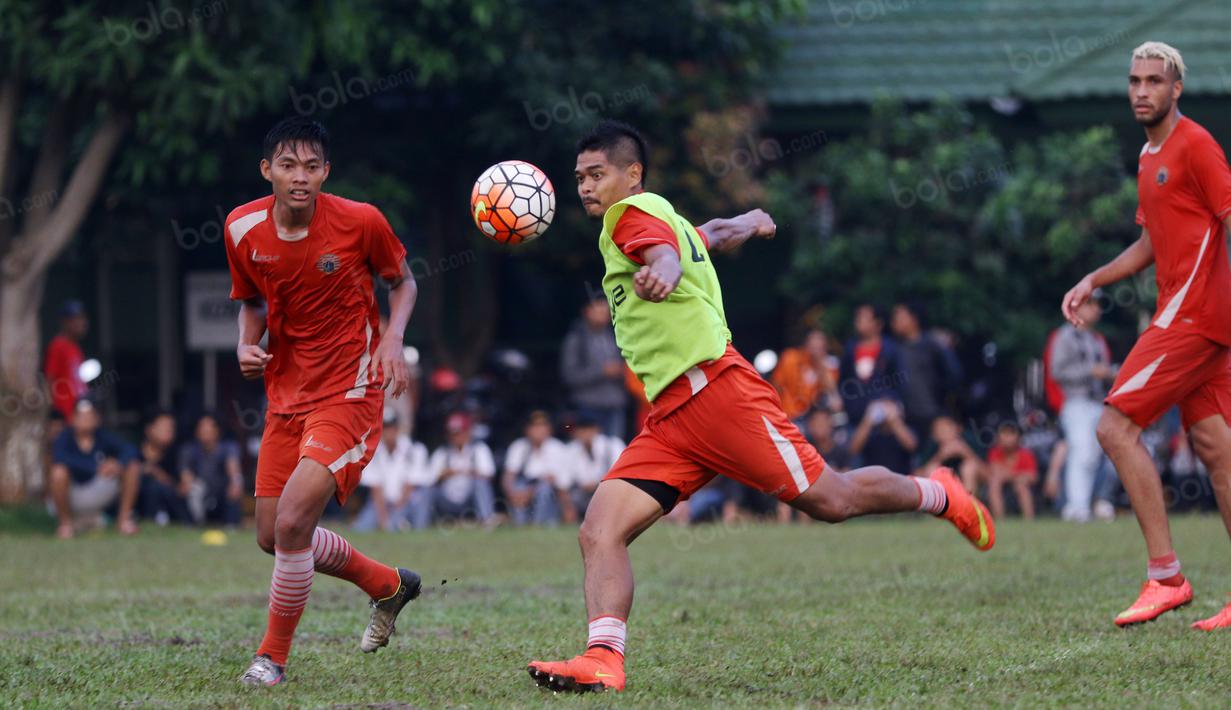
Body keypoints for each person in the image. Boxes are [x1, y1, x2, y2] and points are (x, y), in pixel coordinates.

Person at [527, 120, 996, 693]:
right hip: (673, 417)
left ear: (633, 174)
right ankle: (604, 658)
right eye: (579, 177)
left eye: (597, 174)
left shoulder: (632, 218)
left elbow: (668, 252)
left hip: (718, 395)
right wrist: (752, 221)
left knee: (834, 499)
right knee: (600, 529)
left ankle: (942, 492)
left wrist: (665, 271)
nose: (585, 187)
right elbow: (710, 234)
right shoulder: (660, 217)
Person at [222, 117, 421, 686]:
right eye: (288, 165)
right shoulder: (241, 228)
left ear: (326, 172)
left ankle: (272, 659)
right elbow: (252, 301)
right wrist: (245, 343)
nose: (300, 177)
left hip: (350, 390)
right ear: (268, 171)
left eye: (312, 166)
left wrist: (392, 337)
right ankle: (388, 584)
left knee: (291, 523)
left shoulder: (361, 221)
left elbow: (403, 282)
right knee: (272, 534)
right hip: (285, 395)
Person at [1060, 42, 1231, 629]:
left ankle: (1166, 577)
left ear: (1176, 88)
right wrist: (1093, 278)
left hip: (1191, 319)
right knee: (1216, 451)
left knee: (1113, 427)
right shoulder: (1146, 155)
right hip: (1195, 321)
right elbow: (1151, 244)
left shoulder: (1197, 146)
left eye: (1154, 81)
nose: (1141, 90)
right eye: (1134, 80)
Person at [1049, 298, 1116, 522]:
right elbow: (1057, 371)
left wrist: (1108, 373)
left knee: (1094, 455)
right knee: (1081, 453)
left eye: (1097, 304)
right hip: (1076, 402)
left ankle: (1085, 504)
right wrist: (1090, 371)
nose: (1096, 309)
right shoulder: (1065, 336)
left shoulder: (1096, 339)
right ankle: (1076, 506)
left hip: (1097, 402)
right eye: (1091, 304)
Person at [47, 399, 139, 538]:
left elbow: (130, 449)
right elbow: (59, 458)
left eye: (90, 416)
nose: (85, 420)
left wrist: (117, 464)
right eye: (81, 417)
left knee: (132, 466)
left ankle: (124, 521)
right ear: (73, 418)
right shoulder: (64, 437)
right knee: (58, 472)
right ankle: (65, 525)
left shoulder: (102, 436)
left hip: (98, 491)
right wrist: (95, 467)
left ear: (97, 419)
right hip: (72, 494)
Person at [890, 302, 963, 440]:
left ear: (914, 319)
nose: (894, 322)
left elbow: (954, 375)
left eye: (898, 317)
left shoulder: (933, 345)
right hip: (908, 420)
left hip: (936, 416)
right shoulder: (895, 349)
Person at [560, 297, 628, 439]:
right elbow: (569, 375)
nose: (603, 312)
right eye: (597, 307)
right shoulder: (577, 338)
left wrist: (622, 370)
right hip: (587, 406)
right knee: (589, 453)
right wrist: (602, 371)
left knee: (615, 451)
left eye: (605, 308)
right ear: (586, 311)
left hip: (614, 404)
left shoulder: (617, 334)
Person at [420, 412, 497, 526]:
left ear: (468, 432)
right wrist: (444, 474)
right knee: (427, 491)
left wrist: (467, 472)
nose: (457, 437)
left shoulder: (478, 449)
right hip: (447, 498)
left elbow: (489, 474)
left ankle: (487, 521)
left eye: (460, 433)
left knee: (481, 484)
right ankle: (421, 526)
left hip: (469, 498)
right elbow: (427, 479)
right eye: (453, 434)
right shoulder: (442, 453)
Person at [352, 418, 428, 532]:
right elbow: (375, 488)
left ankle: (410, 525)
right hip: (382, 502)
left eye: (392, 428)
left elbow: (410, 486)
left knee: (422, 498)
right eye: (386, 428)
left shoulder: (414, 448)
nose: (389, 433)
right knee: (360, 528)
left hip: (407, 501)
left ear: (397, 429)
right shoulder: (373, 451)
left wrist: (396, 512)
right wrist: (383, 517)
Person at [502, 410, 572, 526]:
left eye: (542, 426)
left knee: (544, 489)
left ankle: (538, 523)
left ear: (549, 429)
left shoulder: (557, 448)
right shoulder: (519, 446)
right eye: (535, 427)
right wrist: (512, 493)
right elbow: (509, 475)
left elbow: (558, 483)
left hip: (547, 493)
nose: (539, 431)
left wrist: (529, 493)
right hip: (524, 489)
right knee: (518, 486)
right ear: (527, 429)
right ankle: (519, 524)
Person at [179, 412, 244, 527]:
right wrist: (188, 485)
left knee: (235, 485)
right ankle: (193, 524)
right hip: (200, 492)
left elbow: (233, 470)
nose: (206, 431)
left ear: (217, 430)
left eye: (209, 428)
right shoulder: (189, 450)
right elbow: (186, 474)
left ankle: (232, 526)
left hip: (221, 492)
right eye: (202, 428)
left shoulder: (228, 447)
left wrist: (235, 483)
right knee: (191, 489)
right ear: (196, 431)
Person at [562, 410, 626, 520]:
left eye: (589, 429)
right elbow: (563, 484)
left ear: (596, 429)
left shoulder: (612, 445)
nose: (586, 433)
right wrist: (568, 508)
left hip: (608, 493)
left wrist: (598, 484)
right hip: (581, 496)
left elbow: (622, 476)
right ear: (576, 432)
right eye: (582, 430)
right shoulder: (570, 450)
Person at [135, 409, 192, 525]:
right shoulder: (133, 454)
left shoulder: (177, 455)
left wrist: (158, 474)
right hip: (140, 507)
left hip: (172, 508)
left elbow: (182, 489)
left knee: (157, 487)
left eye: (171, 428)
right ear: (149, 429)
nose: (168, 431)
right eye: (163, 427)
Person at [771, 326, 841, 420]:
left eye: (819, 340)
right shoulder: (790, 358)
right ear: (806, 342)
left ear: (826, 345)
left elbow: (833, 392)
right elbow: (775, 388)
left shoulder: (831, 364)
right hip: (787, 415)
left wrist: (819, 364)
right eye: (813, 339)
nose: (816, 344)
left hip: (813, 418)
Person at [43, 300, 89, 421]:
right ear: (65, 322)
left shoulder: (75, 347)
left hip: (79, 411)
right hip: (64, 413)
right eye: (76, 319)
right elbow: (49, 379)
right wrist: (54, 413)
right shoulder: (57, 346)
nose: (82, 323)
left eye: (82, 318)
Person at [913, 416, 984, 491]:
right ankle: (938, 501)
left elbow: (988, 475)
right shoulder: (933, 447)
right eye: (940, 431)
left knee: (969, 467)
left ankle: (968, 501)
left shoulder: (969, 441)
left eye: (948, 429)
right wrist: (939, 457)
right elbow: (916, 476)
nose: (945, 433)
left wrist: (966, 453)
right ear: (935, 436)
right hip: (943, 492)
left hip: (970, 489)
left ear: (958, 429)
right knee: (932, 468)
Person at [985, 422, 1039, 520]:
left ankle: (1029, 519)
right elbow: (994, 471)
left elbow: (1033, 476)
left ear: (1018, 437)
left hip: (1020, 486)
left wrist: (1015, 477)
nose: (1007, 438)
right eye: (1004, 434)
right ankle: (1000, 519)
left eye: (1011, 434)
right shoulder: (995, 452)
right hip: (1003, 485)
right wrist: (1017, 475)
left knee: (1021, 486)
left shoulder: (1026, 455)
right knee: (994, 482)